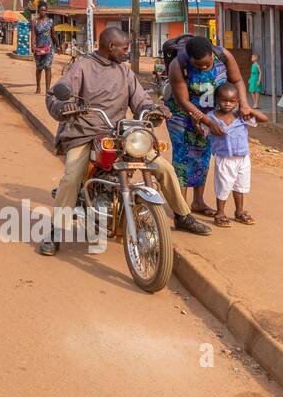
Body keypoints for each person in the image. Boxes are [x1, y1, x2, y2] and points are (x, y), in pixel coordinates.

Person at [40, 26, 212, 256]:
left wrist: (153, 109)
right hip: (85, 132)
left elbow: (140, 99)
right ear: (111, 47)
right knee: (71, 176)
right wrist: (65, 106)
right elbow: (54, 95)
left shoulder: (125, 71)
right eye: (125, 48)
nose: (127, 53)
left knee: (163, 167)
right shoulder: (83, 66)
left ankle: (182, 215)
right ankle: (55, 231)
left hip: (118, 134)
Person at [165, 35, 259, 216]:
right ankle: (181, 208)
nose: (204, 68)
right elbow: (182, 100)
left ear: (212, 54)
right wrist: (204, 120)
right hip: (182, 116)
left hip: (212, 113)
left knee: (203, 154)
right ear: (190, 58)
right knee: (183, 158)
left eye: (207, 64)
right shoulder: (178, 65)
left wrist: (244, 104)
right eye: (198, 65)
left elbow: (237, 80)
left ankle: (198, 201)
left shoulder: (223, 55)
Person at [203, 84, 264, 227]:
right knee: (223, 187)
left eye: (232, 101)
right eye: (224, 100)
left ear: (237, 101)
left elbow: (263, 118)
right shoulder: (211, 117)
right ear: (217, 100)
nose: (228, 104)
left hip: (243, 158)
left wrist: (249, 109)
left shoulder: (242, 116)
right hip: (225, 159)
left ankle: (239, 211)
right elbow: (203, 132)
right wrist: (197, 122)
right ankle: (220, 213)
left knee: (240, 186)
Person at [30, 1, 54, 94]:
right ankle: (38, 87)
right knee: (39, 68)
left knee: (48, 67)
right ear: (38, 10)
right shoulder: (35, 21)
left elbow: (53, 35)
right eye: (41, 10)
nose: (43, 12)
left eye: (44, 10)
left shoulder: (50, 21)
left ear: (46, 11)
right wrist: (32, 45)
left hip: (49, 47)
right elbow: (33, 34)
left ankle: (48, 89)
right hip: (39, 47)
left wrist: (58, 45)